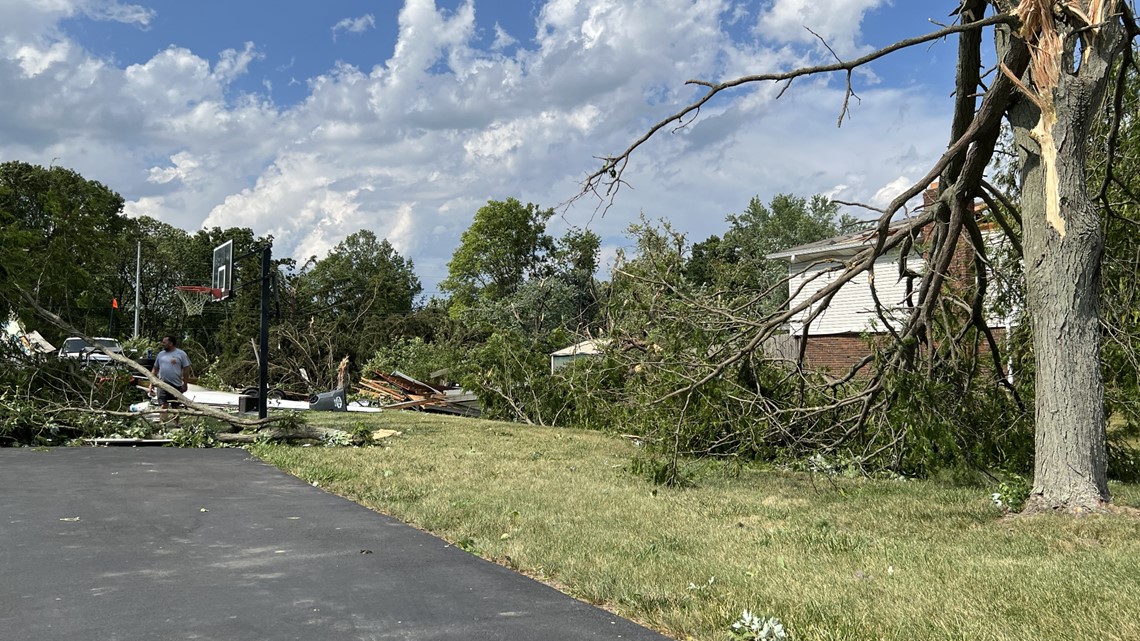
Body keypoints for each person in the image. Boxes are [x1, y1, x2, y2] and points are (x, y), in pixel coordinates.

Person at [150, 335, 192, 419]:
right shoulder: (160, 354)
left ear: (171, 343)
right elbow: (155, 369)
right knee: (163, 405)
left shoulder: (181, 354)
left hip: (176, 384)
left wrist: (185, 384)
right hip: (162, 384)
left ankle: (176, 424)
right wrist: (151, 383)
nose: (162, 344)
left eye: (164, 342)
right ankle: (163, 425)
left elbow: (186, 370)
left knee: (175, 406)